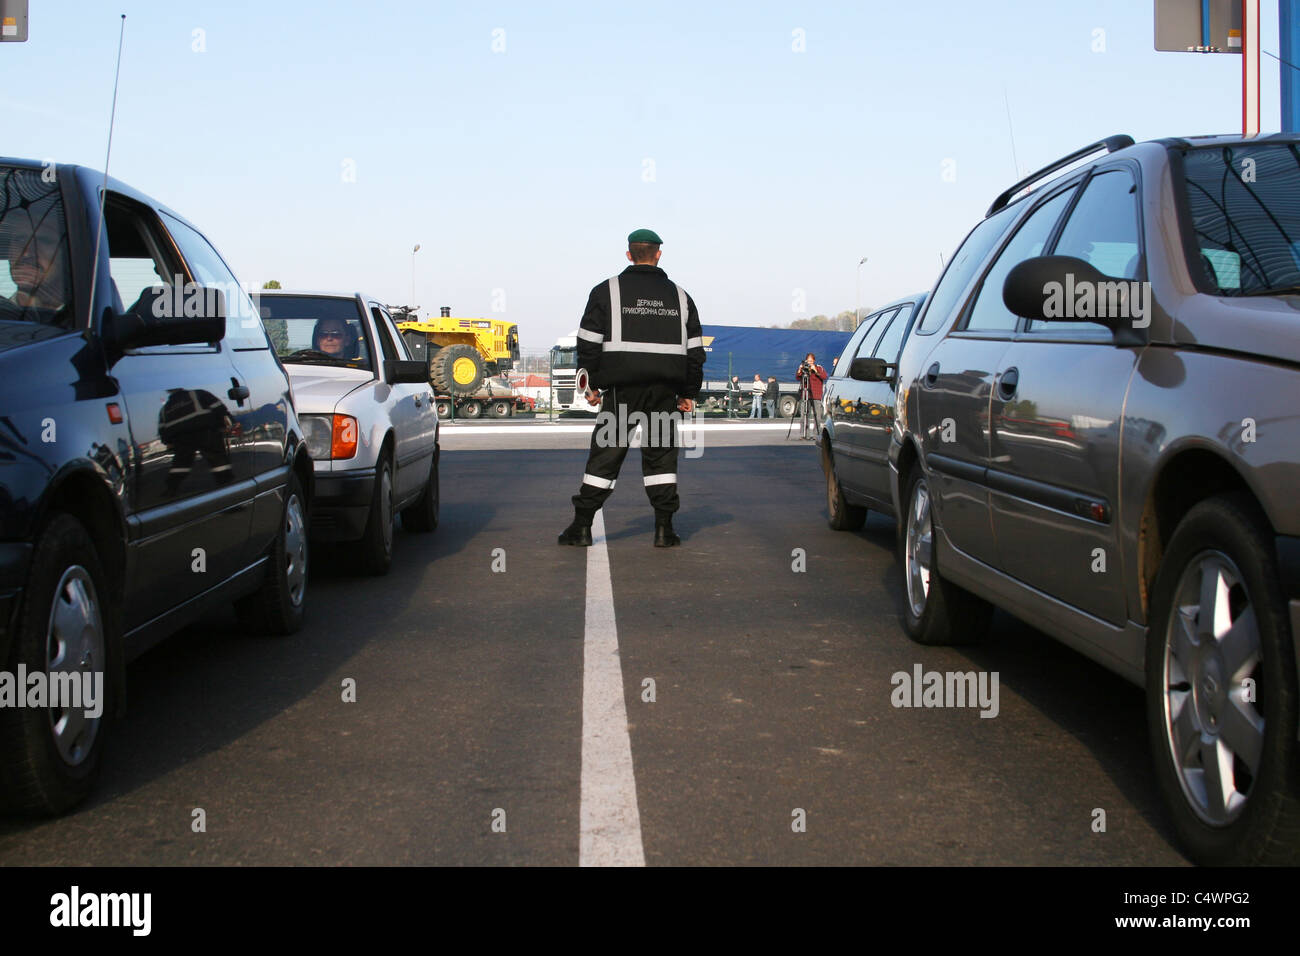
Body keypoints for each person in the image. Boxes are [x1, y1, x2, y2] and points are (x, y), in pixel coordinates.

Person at [558, 228, 706, 548]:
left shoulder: (605, 292)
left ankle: (582, 527)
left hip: (621, 394)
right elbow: (695, 353)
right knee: (661, 462)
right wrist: (689, 394)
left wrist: (591, 385)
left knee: (605, 459)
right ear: (658, 254)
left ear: (629, 254)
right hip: (664, 395)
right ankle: (665, 531)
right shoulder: (681, 297)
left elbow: (588, 345)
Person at [794, 352, 827, 439]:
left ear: (814, 361)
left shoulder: (819, 368)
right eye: (808, 361)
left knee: (817, 416)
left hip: (816, 395)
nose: (809, 363)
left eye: (811, 361)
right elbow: (798, 378)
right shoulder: (804, 369)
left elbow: (824, 377)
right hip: (805, 395)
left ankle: (816, 435)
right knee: (804, 416)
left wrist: (815, 370)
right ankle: (804, 434)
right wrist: (799, 369)